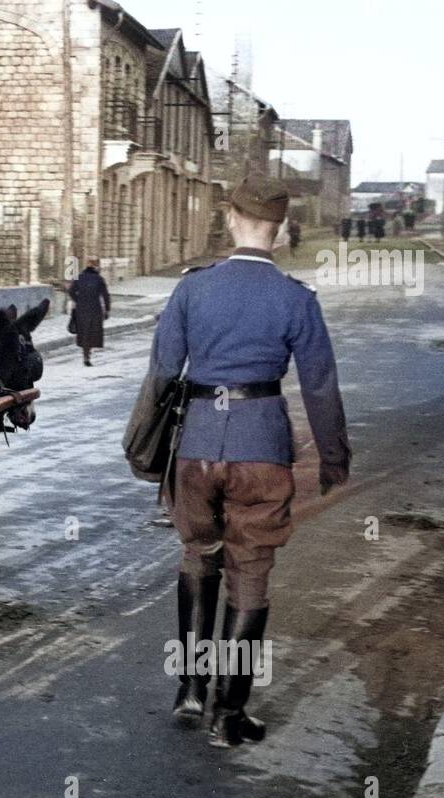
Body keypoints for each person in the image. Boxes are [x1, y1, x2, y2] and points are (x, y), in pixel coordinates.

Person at [144, 175, 351, 747]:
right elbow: (321, 387)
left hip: (196, 447)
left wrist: (145, 447)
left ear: (230, 218)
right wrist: (333, 460)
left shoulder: (192, 289)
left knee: (197, 555)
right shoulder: (295, 298)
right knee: (251, 571)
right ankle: (228, 714)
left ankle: (188, 686)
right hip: (262, 449)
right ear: (279, 229)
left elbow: (162, 374)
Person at [69, 260, 110, 366]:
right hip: (95, 310)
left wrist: (78, 300)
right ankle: (88, 354)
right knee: (92, 332)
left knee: (84, 332)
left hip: (81, 310)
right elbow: (105, 296)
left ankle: (85, 355)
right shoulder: (99, 279)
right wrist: (107, 310)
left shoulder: (79, 278)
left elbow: (71, 291)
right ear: (95, 269)